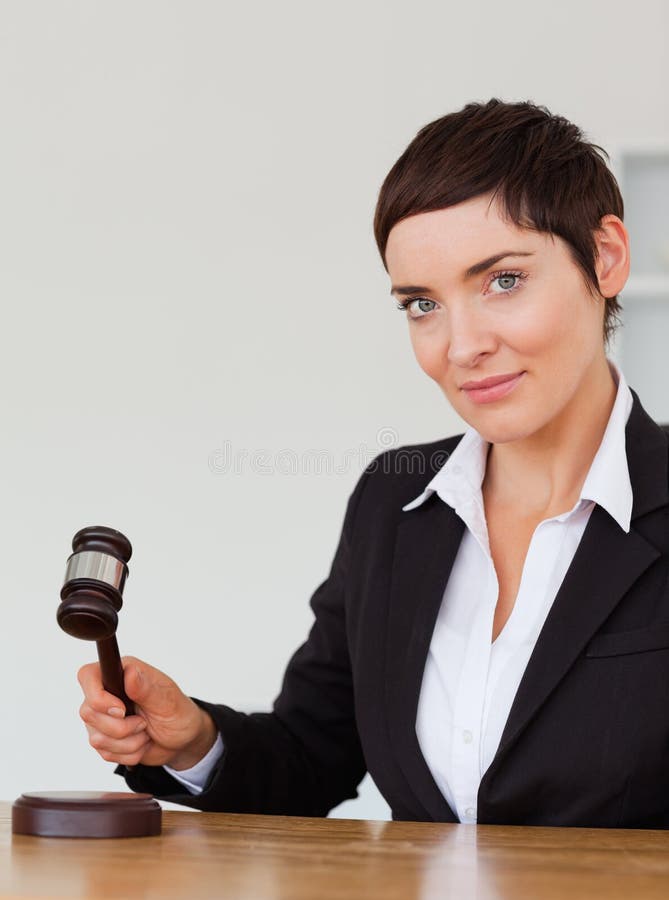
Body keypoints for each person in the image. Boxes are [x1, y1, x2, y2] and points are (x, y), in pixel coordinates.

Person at [77, 98, 669, 828]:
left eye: (502, 281)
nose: (460, 345)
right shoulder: (395, 503)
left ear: (605, 257)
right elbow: (313, 754)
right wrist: (195, 741)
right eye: (422, 304)